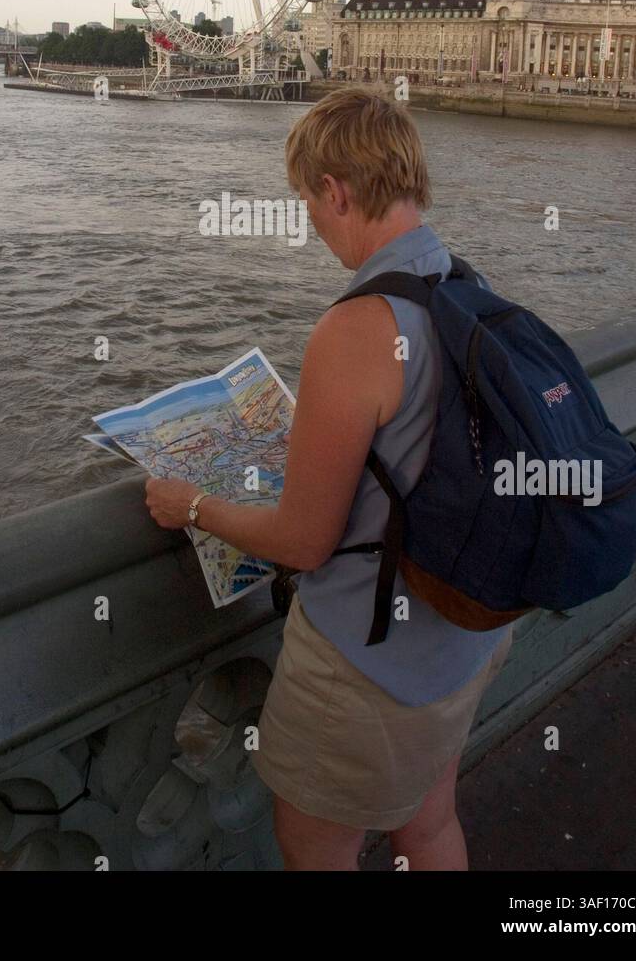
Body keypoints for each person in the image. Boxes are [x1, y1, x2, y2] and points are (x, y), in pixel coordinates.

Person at [144, 87, 513, 872]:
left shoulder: (356, 328)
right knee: (430, 826)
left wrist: (195, 504)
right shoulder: (468, 285)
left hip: (371, 666)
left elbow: (306, 542)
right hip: (468, 633)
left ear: (336, 192)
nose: (310, 222)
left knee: (316, 851)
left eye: (308, 202)